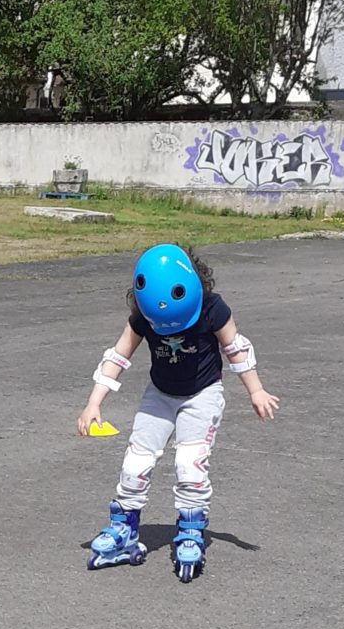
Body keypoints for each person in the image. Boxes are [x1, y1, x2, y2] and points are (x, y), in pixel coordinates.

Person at [78, 243, 279, 583]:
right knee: (135, 462)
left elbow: (236, 348)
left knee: (189, 463)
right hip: (160, 394)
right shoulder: (144, 314)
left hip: (202, 395)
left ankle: (190, 528)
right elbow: (118, 356)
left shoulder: (211, 309)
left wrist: (255, 390)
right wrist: (94, 402)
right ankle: (124, 529)